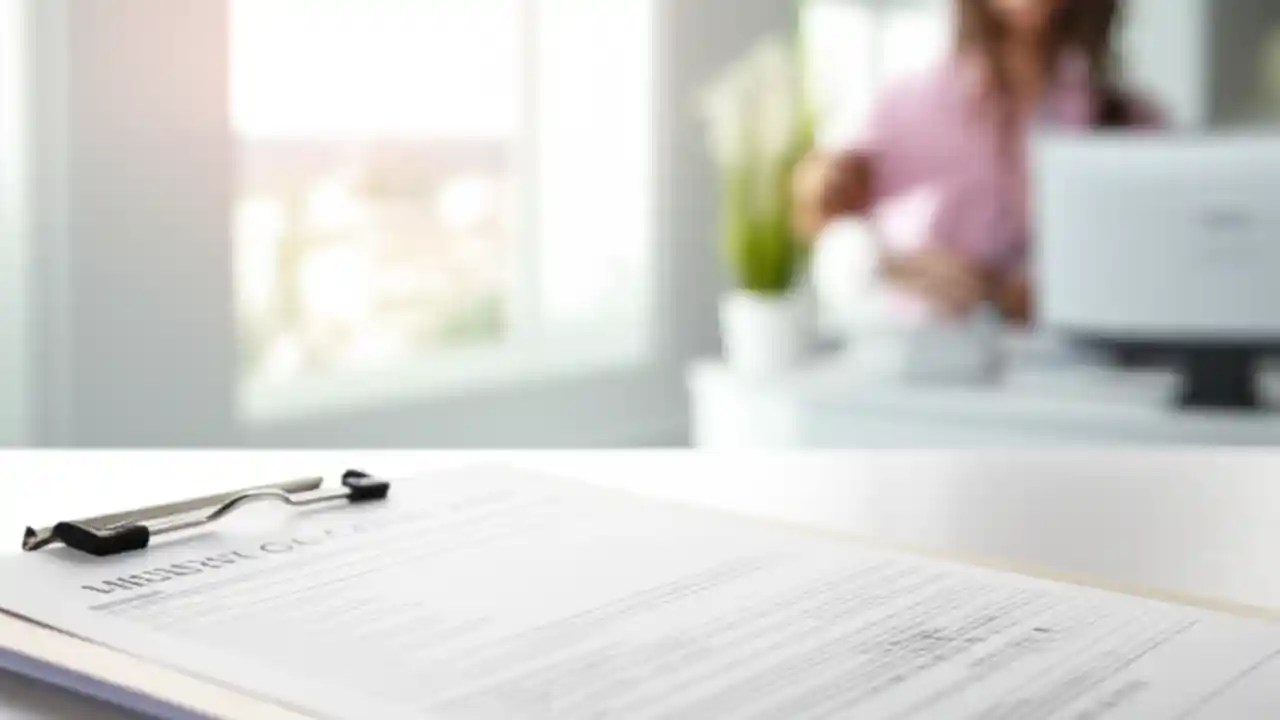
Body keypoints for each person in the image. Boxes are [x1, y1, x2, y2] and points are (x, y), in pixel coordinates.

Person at [794, 0, 1161, 325]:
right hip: (937, 363)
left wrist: (1010, 295)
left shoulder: (1131, 124)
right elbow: (825, 215)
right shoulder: (911, 105)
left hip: (1083, 374)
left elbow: (1151, 271)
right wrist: (887, 265)